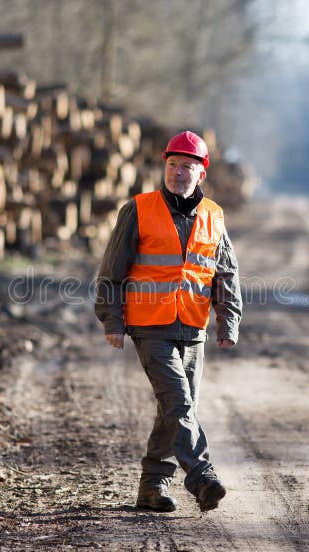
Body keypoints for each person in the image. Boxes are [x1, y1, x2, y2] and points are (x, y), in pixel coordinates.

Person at [95, 130, 242, 512]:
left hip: (193, 328)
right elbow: (112, 269)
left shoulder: (213, 215)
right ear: (165, 167)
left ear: (201, 173)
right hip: (150, 326)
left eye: (187, 166)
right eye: (172, 165)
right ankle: (201, 475)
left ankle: (152, 487)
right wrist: (113, 320)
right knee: (179, 403)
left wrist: (228, 321)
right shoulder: (138, 209)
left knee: (173, 407)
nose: (177, 172)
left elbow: (225, 273)